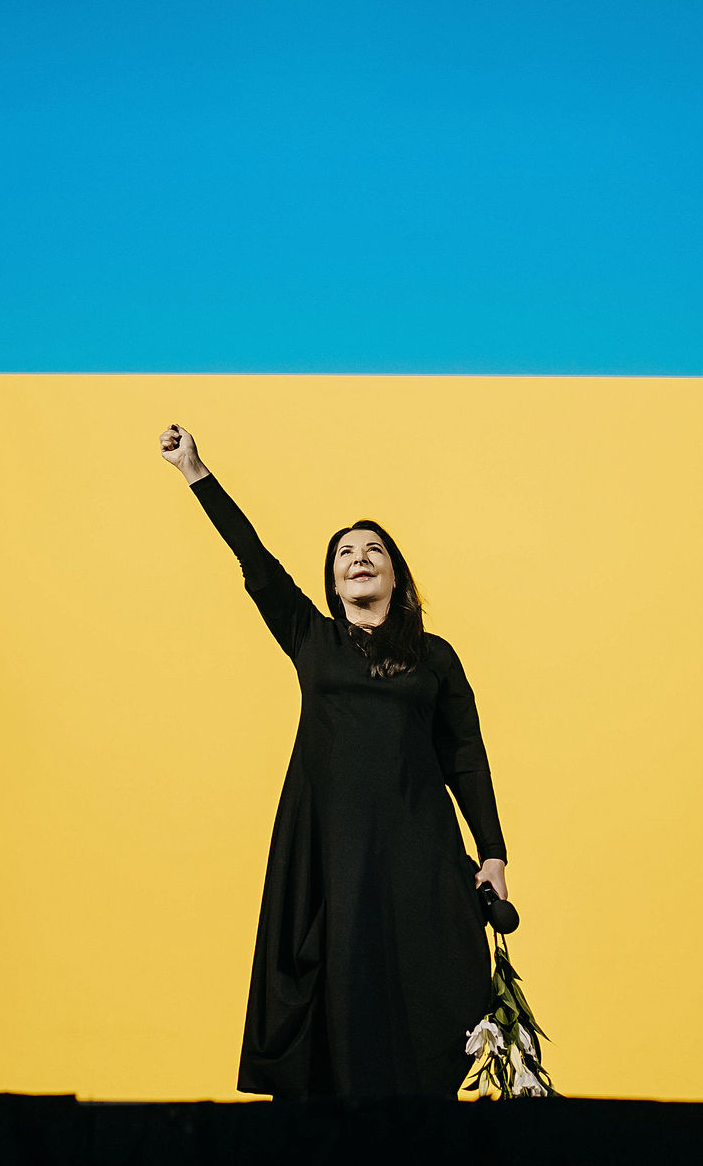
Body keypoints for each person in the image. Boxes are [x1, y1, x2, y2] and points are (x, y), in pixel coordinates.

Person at [159, 422, 511, 1100]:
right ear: (331, 578)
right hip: (334, 851)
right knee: (340, 991)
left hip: (419, 849)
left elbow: (465, 753)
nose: (358, 557)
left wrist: (491, 851)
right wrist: (195, 471)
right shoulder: (312, 639)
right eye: (345, 552)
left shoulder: (434, 656)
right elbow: (256, 561)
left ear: (395, 574)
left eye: (373, 550)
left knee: (435, 990)